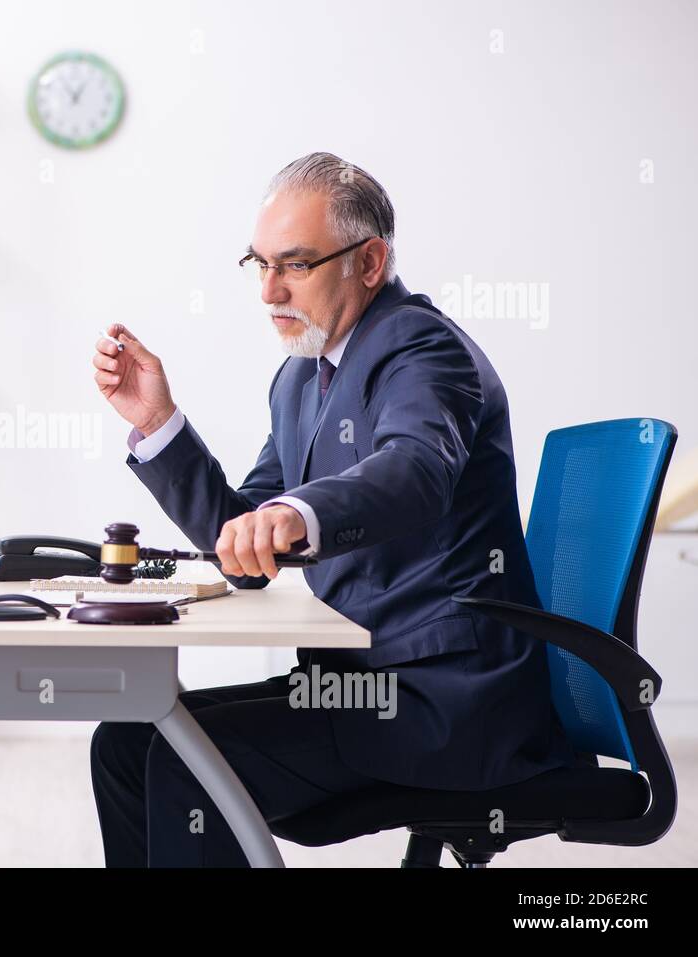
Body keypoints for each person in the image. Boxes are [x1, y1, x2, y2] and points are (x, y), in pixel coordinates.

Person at [89, 152, 577, 867]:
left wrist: (298, 515)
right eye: (258, 264)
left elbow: (414, 470)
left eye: (294, 265)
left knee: (184, 769)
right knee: (127, 741)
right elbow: (244, 540)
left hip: (443, 702)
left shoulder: (421, 347)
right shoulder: (300, 377)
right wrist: (159, 422)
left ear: (370, 261)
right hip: (357, 685)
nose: (269, 291)